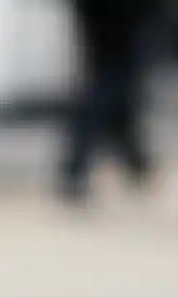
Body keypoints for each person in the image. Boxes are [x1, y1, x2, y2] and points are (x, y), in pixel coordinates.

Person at [60, 0, 158, 202]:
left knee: (115, 82)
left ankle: (133, 156)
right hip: (118, 14)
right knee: (109, 82)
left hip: (110, 14)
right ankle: (79, 165)